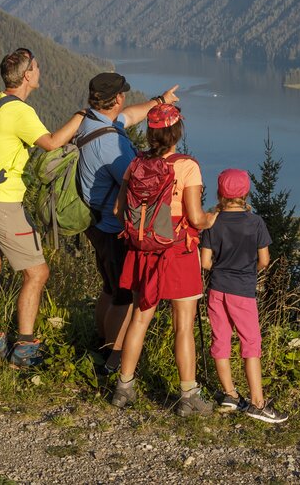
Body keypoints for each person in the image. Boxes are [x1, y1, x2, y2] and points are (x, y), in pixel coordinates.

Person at [0, 47, 84, 368]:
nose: (40, 70)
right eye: (36, 67)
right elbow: (51, 143)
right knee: (37, 272)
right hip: (3, 204)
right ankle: (24, 347)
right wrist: (80, 117)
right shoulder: (19, 110)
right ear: (28, 76)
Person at [109, 103, 214, 416]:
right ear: (177, 132)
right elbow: (195, 217)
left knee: (140, 319)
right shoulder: (187, 166)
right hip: (177, 252)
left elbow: (118, 211)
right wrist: (212, 219)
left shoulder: (135, 164)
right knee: (183, 325)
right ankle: (188, 396)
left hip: (143, 252)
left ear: (151, 133)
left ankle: (123, 388)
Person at [75, 72, 180, 374]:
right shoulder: (111, 144)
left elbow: (130, 115)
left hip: (96, 222)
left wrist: (160, 101)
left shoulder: (93, 122)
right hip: (113, 226)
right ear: (118, 98)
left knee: (109, 288)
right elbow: (139, 182)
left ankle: (101, 345)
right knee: (122, 296)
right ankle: (113, 359)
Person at [200, 168, 287, 423]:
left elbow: (205, 263)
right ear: (246, 193)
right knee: (250, 345)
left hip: (217, 289)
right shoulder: (255, 222)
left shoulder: (212, 222)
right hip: (243, 292)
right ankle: (257, 404)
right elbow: (264, 260)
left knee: (221, 341)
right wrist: (249, 271)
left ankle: (230, 394)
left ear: (220, 193)